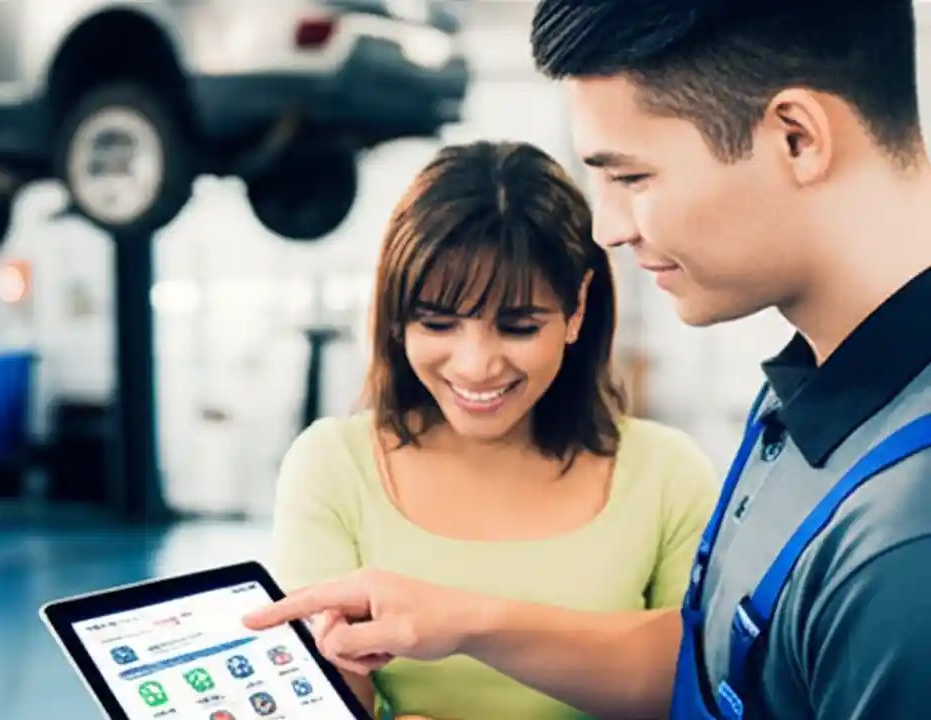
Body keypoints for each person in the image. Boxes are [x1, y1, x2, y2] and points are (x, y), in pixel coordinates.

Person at [247, 1, 931, 718]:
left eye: (631, 178)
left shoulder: (904, 535)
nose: (605, 229)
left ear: (796, 138)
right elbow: (701, 667)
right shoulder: (795, 415)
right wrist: (468, 622)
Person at [268, 140, 717, 719]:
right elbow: (319, 701)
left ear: (577, 307)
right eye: (437, 323)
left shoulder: (667, 474)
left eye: (519, 326)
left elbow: (697, 684)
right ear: (397, 314)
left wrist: (465, 623)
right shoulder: (334, 465)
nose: (476, 365)